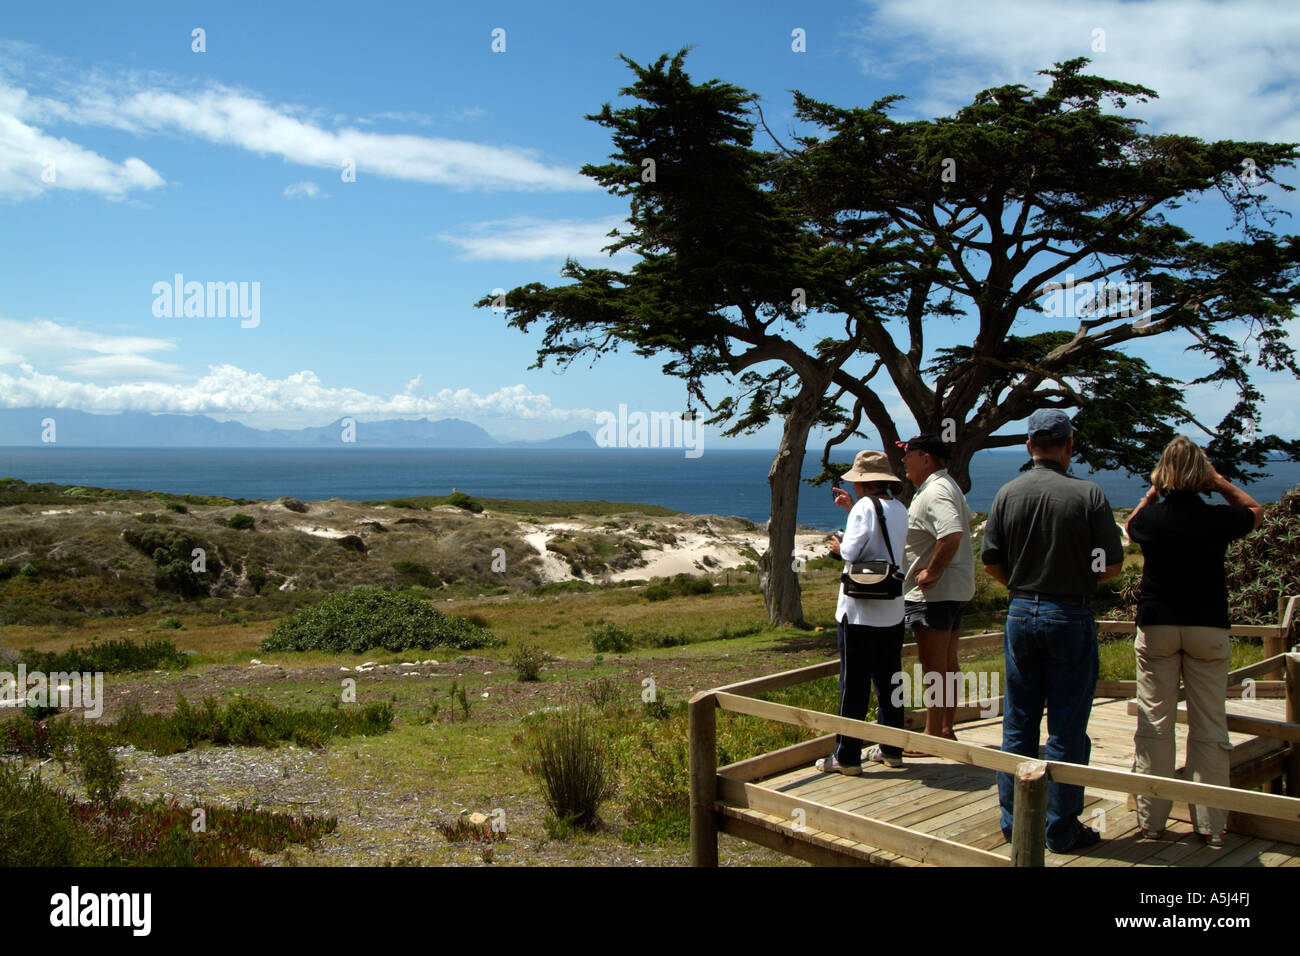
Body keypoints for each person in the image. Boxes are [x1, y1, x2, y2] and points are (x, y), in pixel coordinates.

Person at [980, 409, 1124, 852]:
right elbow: (1111, 565)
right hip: (1070, 613)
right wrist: (1077, 582)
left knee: (1017, 723)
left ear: (1029, 446)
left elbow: (991, 561)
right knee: (1067, 728)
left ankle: (1015, 826)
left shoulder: (1007, 493)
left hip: (1021, 612)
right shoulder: (1089, 495)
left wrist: (1024, 588)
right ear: (1069, 445)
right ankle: (1061, 830)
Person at [1124, 436, 1262, 848]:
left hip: (1159, 625)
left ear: (1163, 475)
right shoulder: (1217, 519)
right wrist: (1218, 481)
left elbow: (1130, 526)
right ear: (1202, 476)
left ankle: (1152, 822)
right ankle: (1211, 824)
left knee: (1155, 724)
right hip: (1207, 626)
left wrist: (1153, 490)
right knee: (1209, 725)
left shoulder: (1152, 520)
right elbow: (1256, 512)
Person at [817, 449, 910, 773]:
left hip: (859, 612)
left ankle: (847, 756)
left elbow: (852, 552)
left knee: (853, 685)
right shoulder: (898, 508)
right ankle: (892, 748)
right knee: (890, 682)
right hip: (893, 609)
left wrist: (837, 547)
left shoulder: (864, 510)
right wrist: (852, 509)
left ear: (865, 482)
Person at [898, 434, 976, 753]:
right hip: (953, 590)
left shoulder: (936, 491)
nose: (904, 460)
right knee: (947, 663)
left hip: (935, 593)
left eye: (909, 454)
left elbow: (952, 532)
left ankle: (931, 736)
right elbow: (963, 523)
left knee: (934, 664)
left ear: (926, 458)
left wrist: (931, 571)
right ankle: (945, 728)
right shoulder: (947, 486)